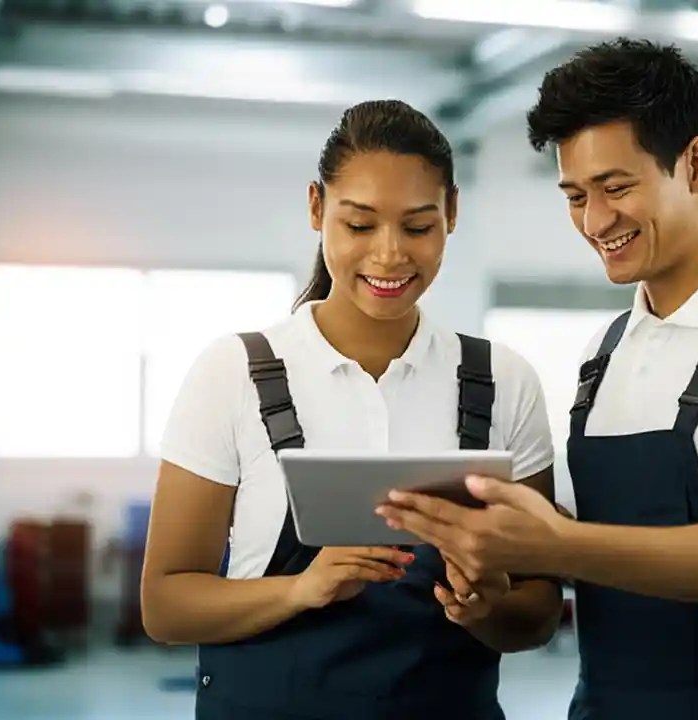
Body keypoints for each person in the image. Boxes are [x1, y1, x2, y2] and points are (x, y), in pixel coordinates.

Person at [377, 39, 698, 719]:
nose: (595, 222)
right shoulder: (605, 351)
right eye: (576, 196)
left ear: (696, 164)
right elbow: (605, 544)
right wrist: (494, 563)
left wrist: (561, 543)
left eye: (616, 188)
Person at [141, 99, 563, 720]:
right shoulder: (232, 374)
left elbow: (539, 610)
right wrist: (301, 590)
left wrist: (487, 608)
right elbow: (166, 605)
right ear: (317, 208)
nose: (389, 255)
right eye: (359, 225)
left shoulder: (503, 382)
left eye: (418, 227)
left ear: (451, 213)